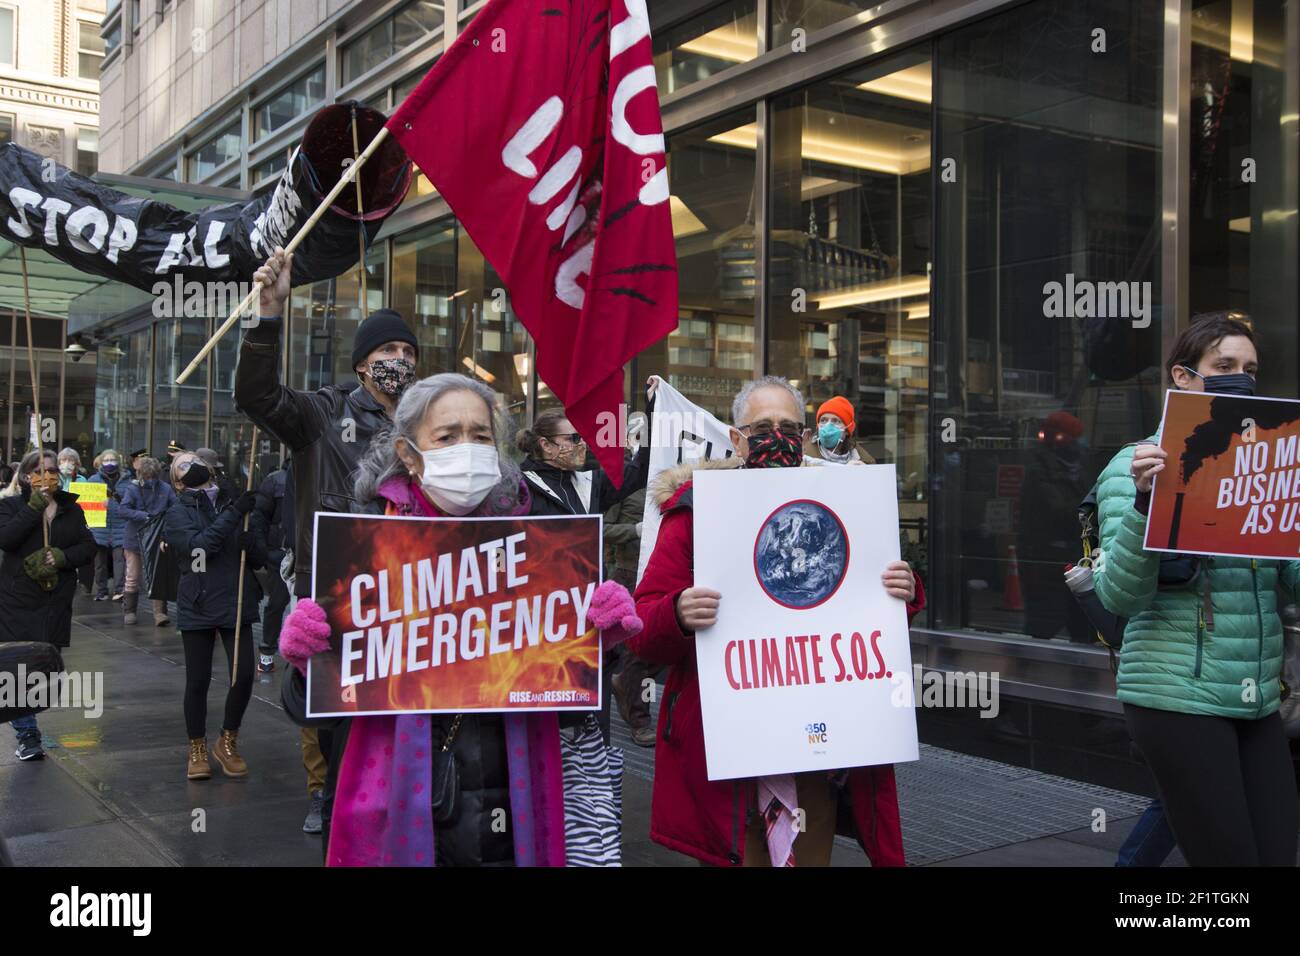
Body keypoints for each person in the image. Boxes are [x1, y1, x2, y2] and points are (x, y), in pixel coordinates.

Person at [277, 373, 642, 866]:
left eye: (481, 435)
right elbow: (310, 709)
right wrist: (306, 660)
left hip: (514, 805)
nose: (466, 449)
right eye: (447, 437)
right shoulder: (360, 546)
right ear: (409, 453)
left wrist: (601, 641)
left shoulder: (539, 545)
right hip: (399, 807)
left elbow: (569, 703)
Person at [632, 375, 925, 867]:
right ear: (736, 438)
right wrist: (677, 613)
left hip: (818, 743)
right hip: (725, 746)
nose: (778, 435)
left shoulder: (845, 507)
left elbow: (868, 609)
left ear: (806, 437)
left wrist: (906, 593)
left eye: (789, 426)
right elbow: (644, 627)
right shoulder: (696, 512)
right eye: (762, 425)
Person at [1093, 313, 1298, 866]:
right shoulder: (1133, 466)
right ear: (1183, 379)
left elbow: (1293, 580)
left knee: (1279, 853)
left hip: (1254, 696)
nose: (1241, 379)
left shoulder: (1266, 462)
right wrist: (1144, 504)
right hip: (1175, 695)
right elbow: (1120, 597)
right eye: (1224, 367)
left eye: (1250, 369)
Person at [235, 247, 419, 601]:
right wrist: (268, 316)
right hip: (335, 583)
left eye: (408, 352)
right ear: (362, 367)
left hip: (407, 583)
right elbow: (257, 397)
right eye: (388, 350)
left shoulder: (425, 426)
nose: (400, 359)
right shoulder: (326, 413)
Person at [164, 451, 266, 780]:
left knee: (244, 675)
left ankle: (228, 740)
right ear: (176, 480)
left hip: (235, 599)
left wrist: (253, 545)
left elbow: (257, 558)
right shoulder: (177, 511)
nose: (189, 465)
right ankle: (197, 747)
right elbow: (199, 549)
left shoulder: (232, 499)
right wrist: (234, 515)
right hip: (199, 602)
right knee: (198, 680)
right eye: (181, 465)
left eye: (194, 460)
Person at [0, 449, 96, 760]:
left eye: (54, 469)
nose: (50, 474)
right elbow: (7, 538)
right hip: (17, 601)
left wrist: (62, 557)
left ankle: (29, 716)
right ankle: (28, 735)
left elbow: (88, 547)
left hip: (55, 601)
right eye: (42, 470)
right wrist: (34, 507)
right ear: (27, 476)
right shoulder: (10, 505)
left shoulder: (72, 509)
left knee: (42, 667)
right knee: (17, 669)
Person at [604, 416, 657, 748]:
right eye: (635, 434)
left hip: (658, 569)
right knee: (638, 646)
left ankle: (625, 683)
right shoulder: (618, 476)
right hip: (626, 570)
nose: (640, 440)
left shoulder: (664, 470)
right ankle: (639, 718)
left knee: (652, 646)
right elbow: (600, 525)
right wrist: (635, 530)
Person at [1020, 410, 1093, 643]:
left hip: (1077, 552)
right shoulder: (1040, 468)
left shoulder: (1080, 464)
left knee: (1080, 619)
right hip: (1048, 554)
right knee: (1046, 618)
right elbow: (1056, 508)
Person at [117, 457, 177, 626]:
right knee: (133, 575)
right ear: (141, 475)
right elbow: (123, 509)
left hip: (157, 538)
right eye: (147, 476)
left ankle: (160, 613)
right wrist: (144, 516)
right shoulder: (133, 488)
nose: (150, 479)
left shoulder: (165, 488)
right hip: (135, 537)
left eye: (153, 476)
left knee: (157, 576)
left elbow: (175, 507)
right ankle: (129, 611)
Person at [253, 466, 290, 673]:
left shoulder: (319, 471)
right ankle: (267, 651)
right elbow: (260, 516)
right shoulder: (275, 480)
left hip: (308, 549)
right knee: (277, 602)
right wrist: (264, 551)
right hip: (280, 551)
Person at [85, 449, 128, 602]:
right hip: (99, 526)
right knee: (99, 562)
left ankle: (119, 590)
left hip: (120, 525)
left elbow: (130, 502)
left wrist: (117, 498)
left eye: (112, 459)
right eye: (106, 460)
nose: (110, 463)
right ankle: (101, 590)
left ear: (118, 461)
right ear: (101, 462)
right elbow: (85, 504)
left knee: (119, 560)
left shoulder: (127, 480)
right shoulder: (93, 480)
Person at [802, 396, 873, 465]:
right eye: (823, 420)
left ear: (847, 431)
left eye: (836, 421)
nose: (828, 426)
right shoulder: (805, 457)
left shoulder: (861, 459)